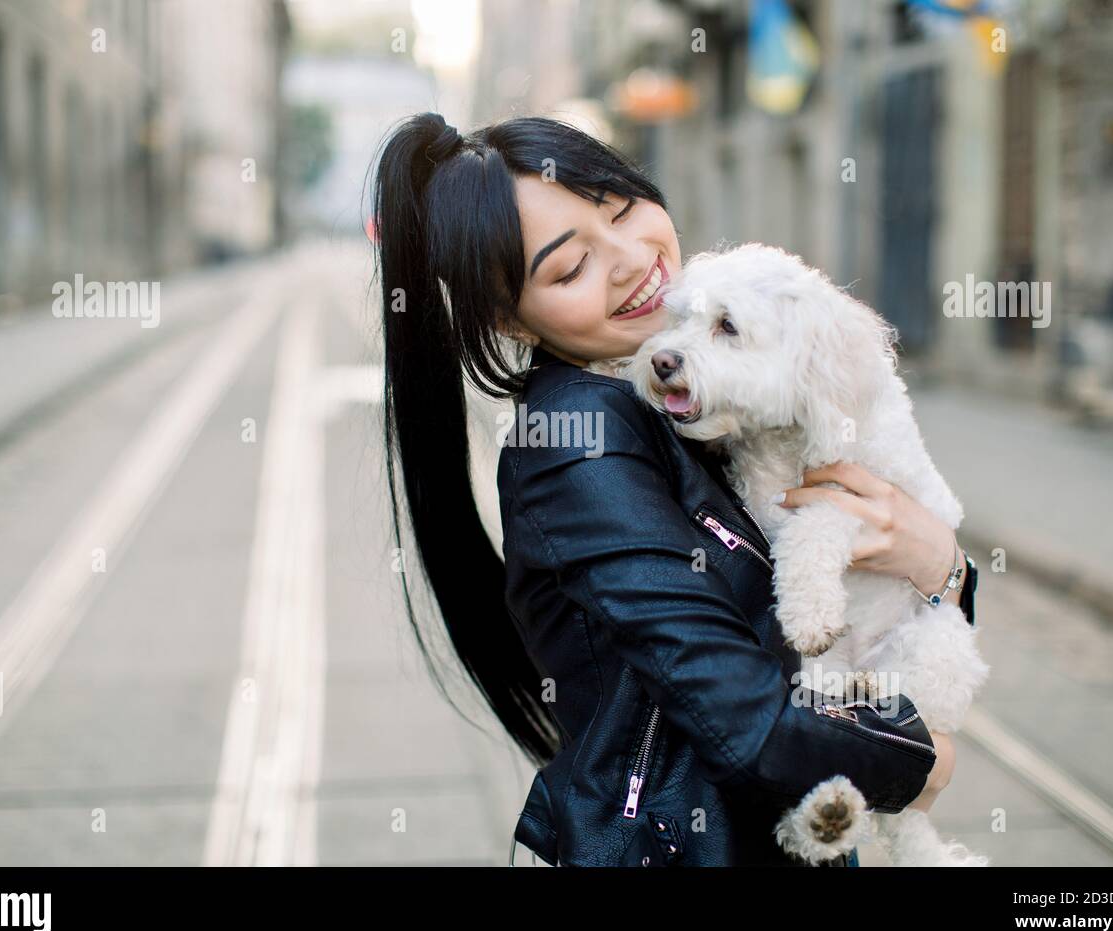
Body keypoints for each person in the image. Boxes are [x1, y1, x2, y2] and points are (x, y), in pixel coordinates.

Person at [371, 112, 976, 867]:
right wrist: (927, 763)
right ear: (510, 320)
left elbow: (871, 578)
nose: (631, 261)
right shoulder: (578, 444)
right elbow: (750, 725)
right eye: (569, 268)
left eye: (620, 208)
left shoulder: (684, 396)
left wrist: (942, 565)